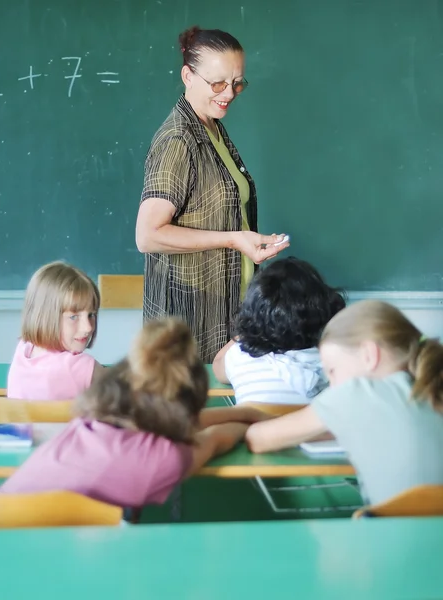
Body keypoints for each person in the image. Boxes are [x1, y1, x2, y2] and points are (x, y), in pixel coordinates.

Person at [136, 25, 289, 362]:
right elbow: (148, 236)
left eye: (237, 83)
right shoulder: (178, 140)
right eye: (218, 83)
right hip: (190, 323)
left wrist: (246, 240)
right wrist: (234, 239)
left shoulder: (212, 128)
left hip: (225, 311)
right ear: (188, 76)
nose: (230, 93)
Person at [0, 318, 269, 509]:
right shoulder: (161, 460)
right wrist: (251, 422)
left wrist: (246, 412)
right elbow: (215, 439)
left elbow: (189, 425)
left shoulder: (91, 424)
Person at [245, 300, 443, 505]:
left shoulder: (356, 393)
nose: (332, 384)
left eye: (332, 371)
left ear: (369, 354)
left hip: (392, 533)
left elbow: (257, 439)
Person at [213, 257, 346, 404]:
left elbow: (218, 366)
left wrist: (248, 331)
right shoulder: (334, 361)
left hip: (254, 426)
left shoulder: (239, 356)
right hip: (314, 426)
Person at [7, 261, 104, 400]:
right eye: (73, 317)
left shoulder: (24, 349)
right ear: (46, 317)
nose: (88, 327)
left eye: (91, 315)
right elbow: (128, 391)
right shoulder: (81, 367)